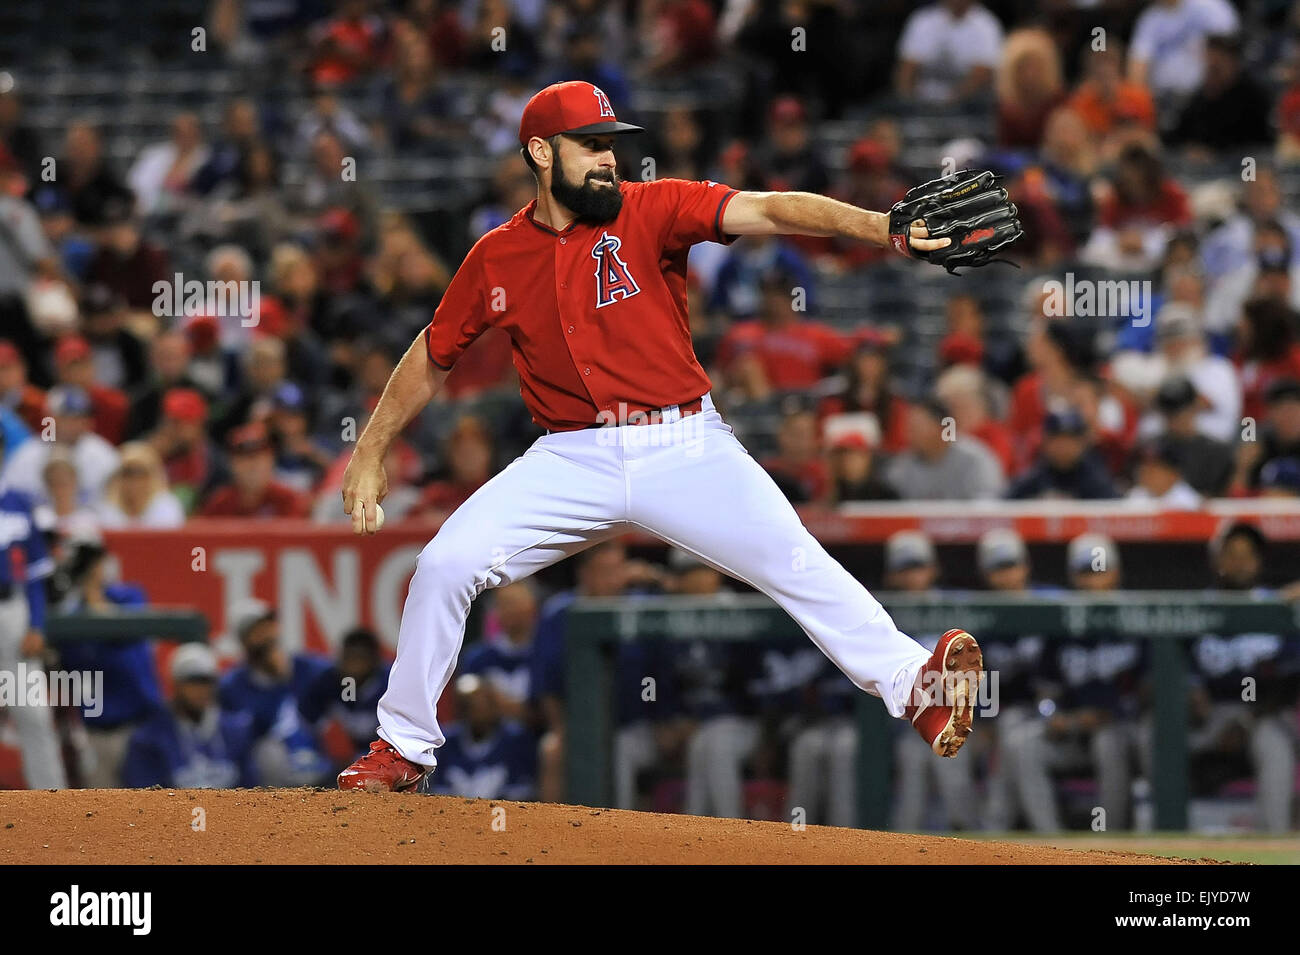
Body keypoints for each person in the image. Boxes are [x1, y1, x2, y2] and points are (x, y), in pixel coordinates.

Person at [336, 81, 983, 793]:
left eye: (613, 144)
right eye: (592, 145)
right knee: (443, 565)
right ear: (541, 153)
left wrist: (880, 227)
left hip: (682, 444)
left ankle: (912, 684)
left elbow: (767, 207)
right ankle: (403, 747)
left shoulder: (655, 207)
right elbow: (434, 352)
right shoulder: (497, 255)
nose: (610, 160)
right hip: (568, 455)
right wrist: (370, 449)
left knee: (796, 561)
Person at [1185, 524, 1299, 832]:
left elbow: (1289, 682)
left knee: (1275, 745)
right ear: (1216, 560)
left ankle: (1273, 840)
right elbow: (1171, 666)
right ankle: (1157, 840)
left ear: (1260, 561)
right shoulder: (1195, 609)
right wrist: (1191, 690)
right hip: (1209, 716)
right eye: (1231, 554)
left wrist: (1247, 721)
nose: (1240, 562)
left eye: (1248, 555)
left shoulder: (1278, 606)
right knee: (1158, 735)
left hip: (1261, 715)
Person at [878, 531, 978, 832]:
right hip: (900, 721)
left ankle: (970, 843)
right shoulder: (880, 616)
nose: (912, 577)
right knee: (912, 758)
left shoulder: (959, 610)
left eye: (918, 567)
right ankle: (904, 848)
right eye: (904, 570)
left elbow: (982, 673)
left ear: (933, 569)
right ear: (891, 576)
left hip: (953, 716)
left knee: (950, 750)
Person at [1048, 535, 1145, 830]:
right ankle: (1044, 849)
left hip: (1126, 725)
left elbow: (1151, 689)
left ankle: (1109, 842)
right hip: (1074, 729)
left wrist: (1112, 713)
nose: (1093, 582)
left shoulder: (1138, 616)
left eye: (1100, 572)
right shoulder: (1060, 622)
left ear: (1116, 573)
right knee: (1022, 745)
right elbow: (1044, 692)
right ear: (1073, 577)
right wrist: (1051, 714)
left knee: (1108, 742)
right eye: (1085, 573)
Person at [51, 536, 162, 787]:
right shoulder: (67, 614)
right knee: (102, 817)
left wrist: (92, 592)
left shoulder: (129, 595)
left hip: (140, 726)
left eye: (95, 561)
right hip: (95, 733)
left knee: (152, 810)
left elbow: (122, 633)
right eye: (87, 562)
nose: (94, 567)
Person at [977, 528, 1060, 832]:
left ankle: (993, 831)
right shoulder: (983, 618)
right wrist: (986, 720)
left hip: (1053, 712)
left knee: (1014, 738)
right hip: (1008, 717)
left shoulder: (1053, 604)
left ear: (1026, 565)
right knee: (1011, 736)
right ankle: (1046, 840)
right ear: (987, 574)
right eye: (998, 569)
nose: (1007, 575)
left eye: (1011, 565)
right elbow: (982, 678)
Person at [0, 428, 65, 788]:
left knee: (34, 714)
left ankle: (50, 806)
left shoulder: (20, 503)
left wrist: (37, 625)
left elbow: (37, 575)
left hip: (11, 610)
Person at [217, 599, 331, 786]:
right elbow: (238, 741)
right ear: (244, 640)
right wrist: (278, 684)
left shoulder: (306, 668)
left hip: (318, 765)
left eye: (269, 626)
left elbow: (344, 682)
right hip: (270, 778)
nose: (267, 635)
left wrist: (288, 677)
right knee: (269, 752)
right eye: (257, 630)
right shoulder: (232, 685)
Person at [121, 643, 258, 789]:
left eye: (206, 682)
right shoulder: (149, 738)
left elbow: (251, 788)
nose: (200, 690)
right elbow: (143, 793)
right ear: (176, 685)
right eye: (192, 682)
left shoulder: (236, 730)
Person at [420, 674, 538, 801]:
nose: (474, 709)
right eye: (467, 704)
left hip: (501, 816)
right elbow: (438, 790)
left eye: (481, 702)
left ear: (493, 706)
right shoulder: (447, 740)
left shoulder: (514, 740)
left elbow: (521, 792)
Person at [300, 627, 391, 766]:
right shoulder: (328, 681)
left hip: (384, 758)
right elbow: (307, 716)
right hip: (336, 760)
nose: (352, 665)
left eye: (359, 658)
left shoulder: (391, 684)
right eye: (348, 657)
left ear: (374, 660)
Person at [885, 397, 1006, 501]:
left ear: (941, 427)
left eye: (917, 426)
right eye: (909, 427)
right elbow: (892, 505)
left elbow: (988, 504)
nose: (909, 434)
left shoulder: (974, 459)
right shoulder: (903, 464)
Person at [97, 441, 186, 528]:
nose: (134, 480)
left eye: (141, 472)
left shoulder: (167, 506)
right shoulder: (107, 508)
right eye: (128, 473)